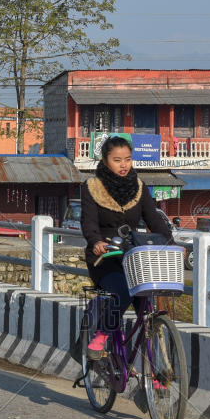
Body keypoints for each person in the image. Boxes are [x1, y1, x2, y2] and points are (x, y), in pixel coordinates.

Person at [80, 135, 175, 374]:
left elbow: (153, 217)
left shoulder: (139, 187)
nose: (124, 165)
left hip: (134, 257)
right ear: (105, 161)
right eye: (117, 160)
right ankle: (101, 334)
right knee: (122, 290)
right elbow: (88, 221)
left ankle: (152, 373)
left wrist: (170, 241)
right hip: (106, 258)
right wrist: (95, 242)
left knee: (147, 299)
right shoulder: (92, 187)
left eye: (128, 159)